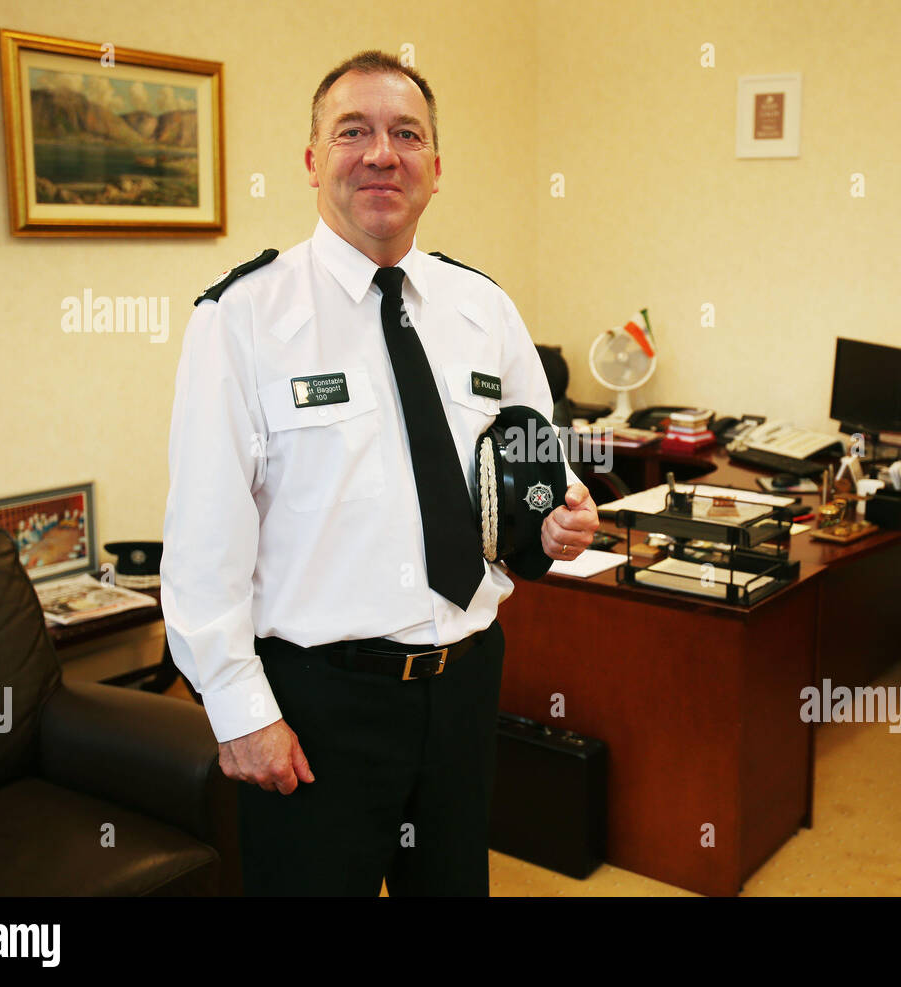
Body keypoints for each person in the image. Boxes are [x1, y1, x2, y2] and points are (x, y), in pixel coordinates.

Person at [161, 49, 599, 896]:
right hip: (321, 702)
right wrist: (240, 709)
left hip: (464, 682)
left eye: (407, 134)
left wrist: (558, 522)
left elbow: (534, 478)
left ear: (436, 166)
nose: (381, 153)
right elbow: (205, 540)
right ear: (312, 160)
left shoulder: (485, 309)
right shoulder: (242, 318)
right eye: (352, 132)